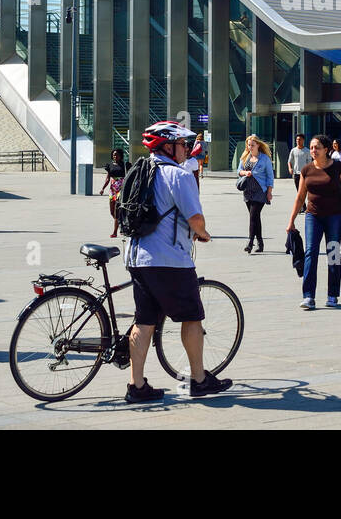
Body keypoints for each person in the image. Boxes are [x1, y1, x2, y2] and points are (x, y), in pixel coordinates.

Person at [124, 121, 230, 402]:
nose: (187, 149)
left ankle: (136, 385)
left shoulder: (140, 169)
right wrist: (203, 233)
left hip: (137, 255)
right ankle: (199, 380)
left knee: (144, 320)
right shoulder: (179, 176)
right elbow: (195, 218)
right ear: (168, 147)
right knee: (192, 317)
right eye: (182, 144)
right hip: (168, 260)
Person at [286, 134, 341, 309]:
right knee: (311, 253)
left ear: (326, 149)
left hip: (335, 216)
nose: (313, 150)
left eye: (317, 147)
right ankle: (308, 296)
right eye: (311, 147)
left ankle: (332, 294)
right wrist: (291, 220)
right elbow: (300, 197)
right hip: (313, 216)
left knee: (333, 253)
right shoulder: (307, 170)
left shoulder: (338, 168)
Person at [237, 135, 274, 254]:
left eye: (252, 145)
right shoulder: (245, 157)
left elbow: (270, 176)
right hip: (247, 191)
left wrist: (269, 192)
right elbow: (239, 171)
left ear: (258, 145)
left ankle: (250, 242)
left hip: (260, 191)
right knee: (255, 218)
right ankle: (260, 243)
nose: (250, 147)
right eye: (248, 145)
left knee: (253, 216)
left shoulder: (265, 159)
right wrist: (245, 173)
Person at [100, 148, 128, 238]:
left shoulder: (125, 165)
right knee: (112, 212)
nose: (115, 156)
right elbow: (108, 179)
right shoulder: (110, 165)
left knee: (116, 211)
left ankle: (115, 232)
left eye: (117, 155)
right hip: (112, 190)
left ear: (120, 156)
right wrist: (103, 188)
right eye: (114, 155)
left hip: (121, 189)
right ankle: (121, 223)